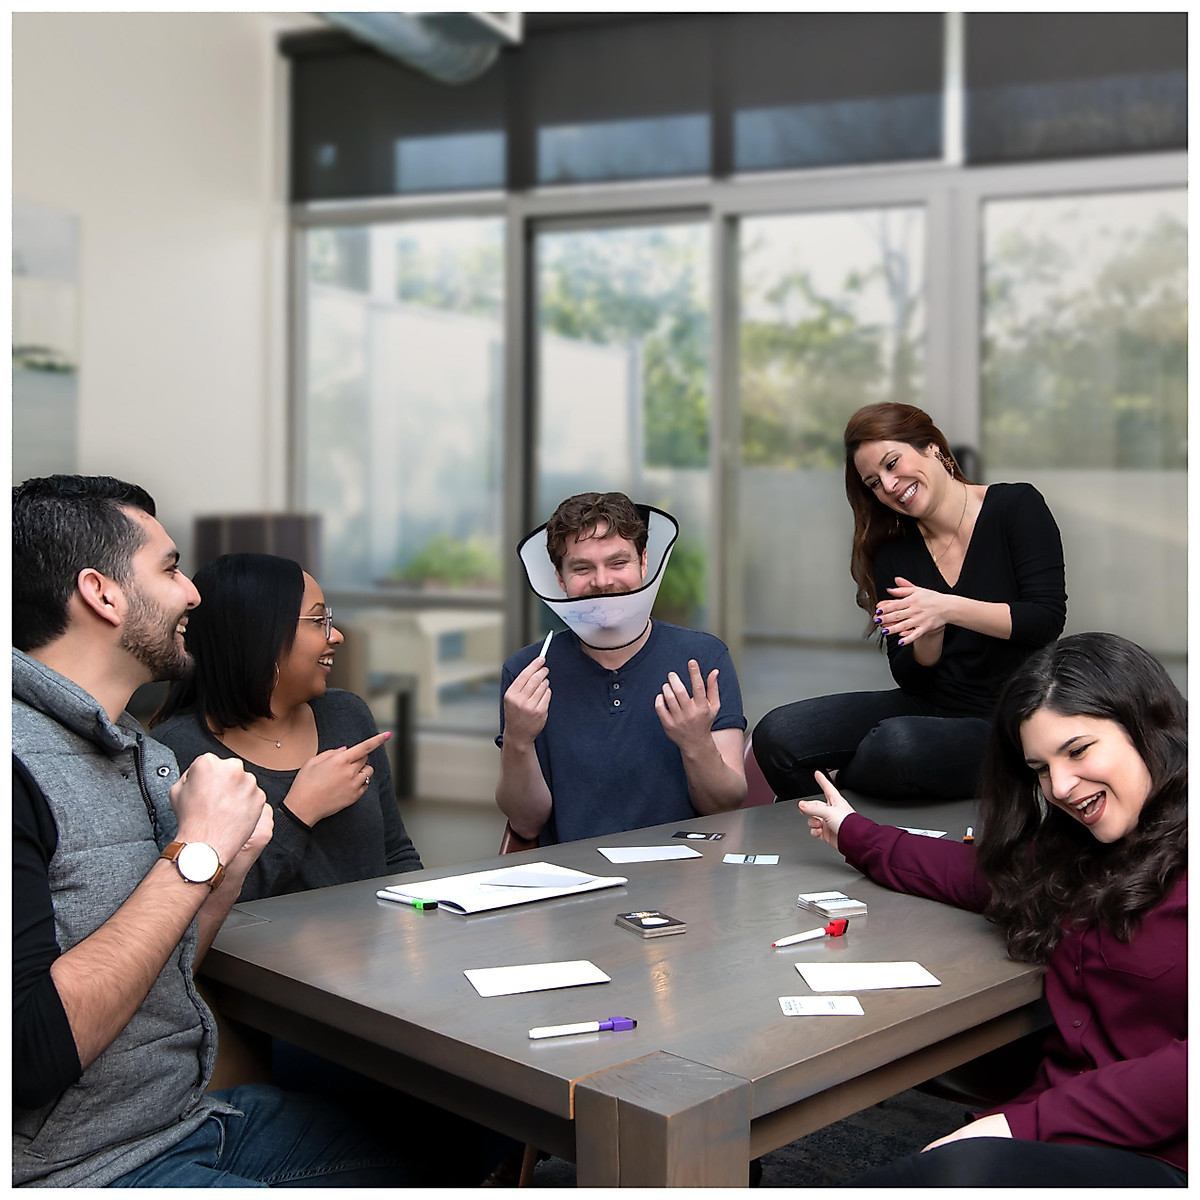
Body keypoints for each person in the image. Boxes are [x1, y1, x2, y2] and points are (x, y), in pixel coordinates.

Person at [12, 475, 449, 1187]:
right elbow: (27, 1057)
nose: (192, 594)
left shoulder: (137, 755)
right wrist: (197, 853)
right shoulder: (19, 764)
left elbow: (167, 962)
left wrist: (227, 867)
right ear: (102, 592)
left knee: (460, 1132)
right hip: (84, 1171)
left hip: (179, 1123)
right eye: (170, 569)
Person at [797, 632, 1186, 1187]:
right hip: (1057, 1130)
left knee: (965, 1169)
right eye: (1040, 768)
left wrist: (1016, 1126)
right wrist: (852, 832)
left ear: (1147, 727)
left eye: (1077, 751)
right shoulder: (1074, 854)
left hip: (1167, 1159)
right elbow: (968, 873)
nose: (1062, 786)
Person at [753, 401, 1066, 801]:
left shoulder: (1016, 506)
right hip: (928, 706)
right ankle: (839, 818)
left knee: (897, 746)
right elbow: (910, 677)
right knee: (777, 735)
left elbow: (1044, 618)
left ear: (933, 447)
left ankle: (844, 791)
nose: (889, 485)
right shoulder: (894, 554)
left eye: (892, 462)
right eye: (873, 483)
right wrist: (928, 635)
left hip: (1009, 717)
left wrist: (946, 607)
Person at [152, 552, 421, 902]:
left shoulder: (346, 715)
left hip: (373, 950)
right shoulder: (176, 752)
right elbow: (198, 907)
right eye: (317, 620)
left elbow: (396, 854)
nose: (336, 635)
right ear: (260, 632)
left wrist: (422, 926)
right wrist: (298, 813)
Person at [496, 491, 747, 844]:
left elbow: (725, 805)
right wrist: (518, 741)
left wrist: (696, 743)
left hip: (687, 879)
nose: (602, 581)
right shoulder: (526, 673)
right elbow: (526, 824)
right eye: (582, 568)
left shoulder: (703, 658)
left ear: (644, 563)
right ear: (559, 577)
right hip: (571, 884)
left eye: (618, 563)